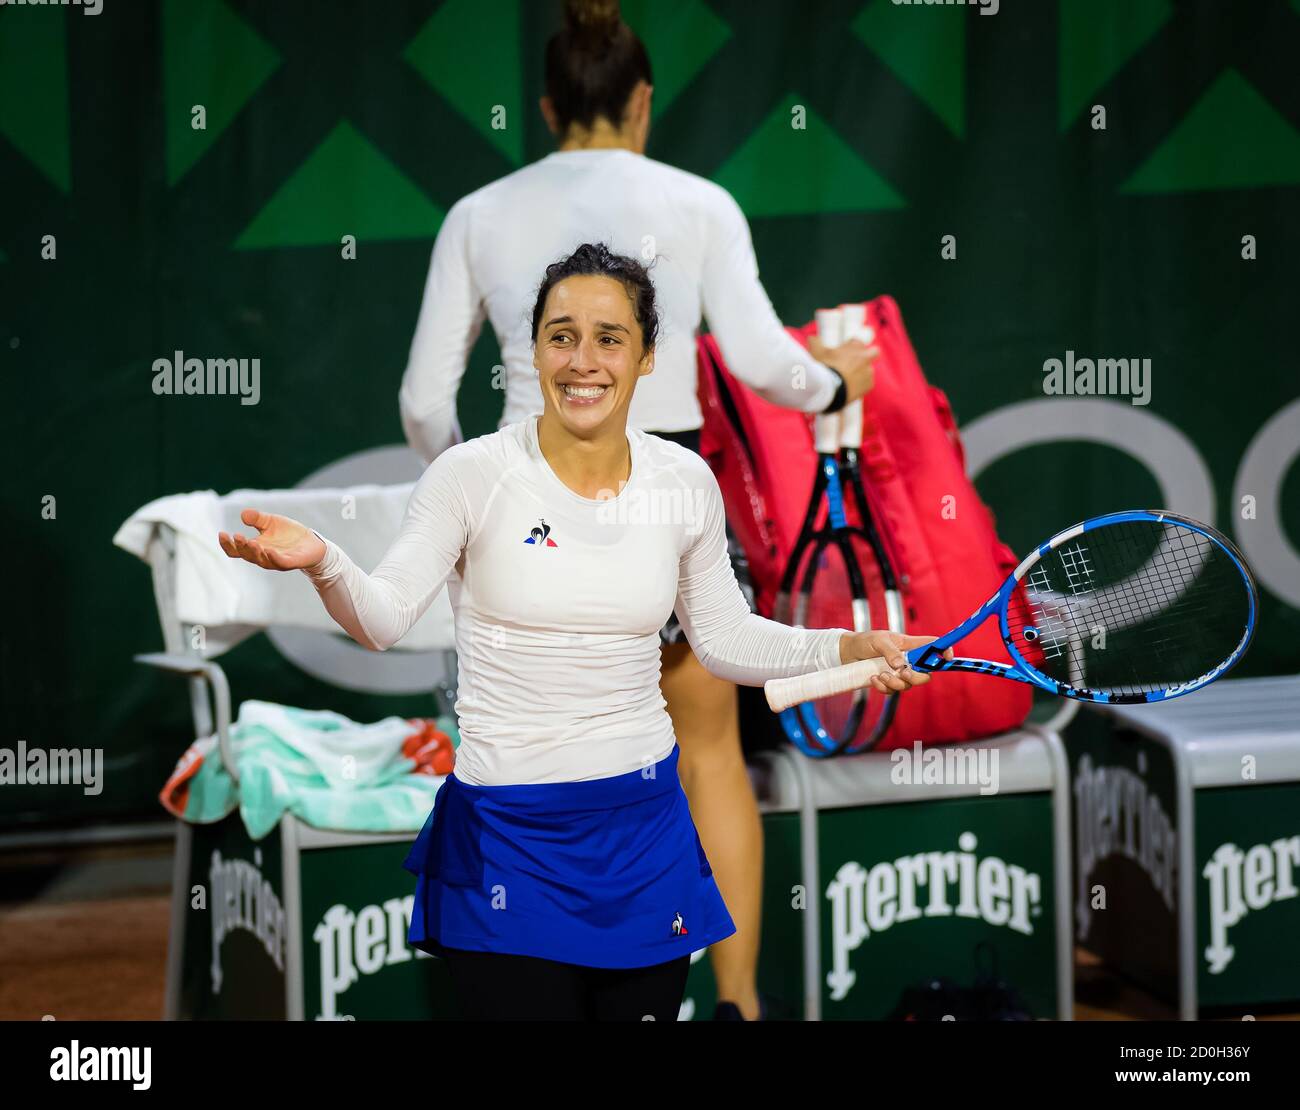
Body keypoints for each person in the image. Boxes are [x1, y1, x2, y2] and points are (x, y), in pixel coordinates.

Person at [220, 245, 941, 1021]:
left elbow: (727, 639)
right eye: (561, 335)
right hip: (508, 841)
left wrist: (850, 649)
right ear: (533, 351)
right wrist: (325, 562)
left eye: (609, 338)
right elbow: (384, 618)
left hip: (644, 836)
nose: (583, 361)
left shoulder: (683, 483)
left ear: (646, 357)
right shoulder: (470, 475)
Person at [398, 0, 879, 1021]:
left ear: (544, 107)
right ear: (643, 102)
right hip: (665, 494)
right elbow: (761, 365)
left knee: (536, 765)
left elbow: (420, 402)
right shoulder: (700, 202)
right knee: (709, 756)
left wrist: (478, 500)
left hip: (528, 512)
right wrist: (835, 385)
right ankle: (737, 1007)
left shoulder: (477, 213)